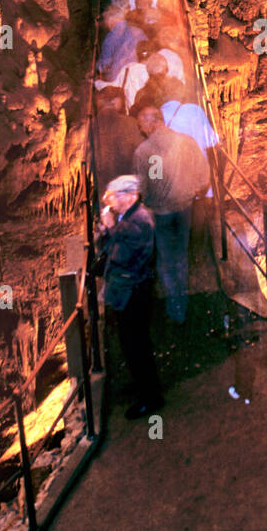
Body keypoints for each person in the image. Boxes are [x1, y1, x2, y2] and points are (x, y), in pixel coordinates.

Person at [133, 105, 209, 326]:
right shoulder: (187, 142)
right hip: (185, 207)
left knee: (166, 260)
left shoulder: (144, 151)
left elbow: (145, 186)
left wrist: (145, 202)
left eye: (141, 124)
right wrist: (195, 190)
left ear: (151, 122)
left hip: (161, 212)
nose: (140, 128)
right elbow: (203, 175)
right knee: (181, 255)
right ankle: (182, 302)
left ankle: (174, 308)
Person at [95, 175, 164, 419]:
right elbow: (108, 247)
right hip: (127, 290)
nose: (112, 202)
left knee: (137, 345)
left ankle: (150, 399)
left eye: (115, 196)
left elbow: (123, 255)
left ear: (131, 196)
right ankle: (142, 385)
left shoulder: (141, 220)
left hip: (134, 292)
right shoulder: (127, 217)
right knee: (130, 343)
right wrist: (106, 231)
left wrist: (111, 228)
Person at [92, 87, 141, 192]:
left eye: (113, 97)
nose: (109, 101)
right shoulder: (131, 124)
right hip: (124, 186)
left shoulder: (91, 126)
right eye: (106, 98)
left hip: (104, 188)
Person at [96, 6, 145, 81]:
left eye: (105, 20)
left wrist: (96, 69)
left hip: (118, 79)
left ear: (110, 20)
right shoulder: (139, 31)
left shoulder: (111, 36)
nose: (105, 24)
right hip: (139, 77)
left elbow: (105, 64)